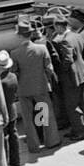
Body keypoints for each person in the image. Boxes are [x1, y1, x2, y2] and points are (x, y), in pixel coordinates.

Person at [11, 22, 61, 152]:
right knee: (45, 114)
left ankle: (34, 145)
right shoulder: (42, 49)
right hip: (40, 86)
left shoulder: (15, 53)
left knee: (28, 118)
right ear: (30, 33)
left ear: (19, 36)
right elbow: (49, 69)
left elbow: (14, 73)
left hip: (23, 89)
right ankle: (51, 141)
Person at [50, 16, 84, 141]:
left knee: (71, 105)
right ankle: (77, 127)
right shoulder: (77, 35)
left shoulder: (66, 40)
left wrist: (60, 72)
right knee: (79, 102)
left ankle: (81, 131)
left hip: (71, 78)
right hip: (82, 74)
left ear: (58, 26)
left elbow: (67, 60)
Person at [0, 50, 21, 166]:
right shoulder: (13, 76)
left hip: (1, 112)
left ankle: (4, 163)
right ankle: (15, 160)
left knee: (2, 138)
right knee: (13, 134)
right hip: (12, 109)